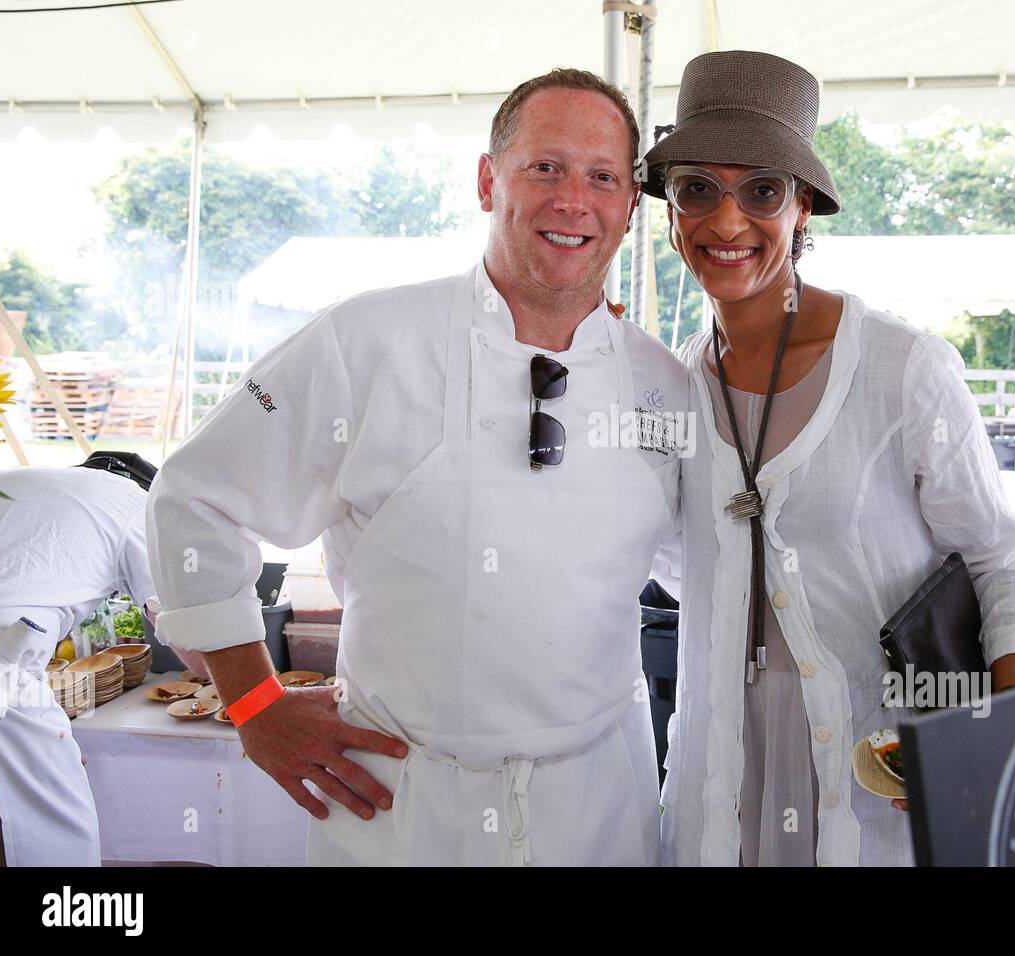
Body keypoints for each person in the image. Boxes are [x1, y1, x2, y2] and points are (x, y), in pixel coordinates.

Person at [146, 69, 687, 866]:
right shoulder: (366, 342)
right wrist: (257, 704)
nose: (574, 200)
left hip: (601, 809)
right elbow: (193, 498)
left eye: (603, 177)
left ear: (629, 206)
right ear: (486, 180)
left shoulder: (662, 387)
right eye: (546, 167)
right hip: (399, 808)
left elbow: (713, 577)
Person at [641, 50, 1015, 867]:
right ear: (670, 211)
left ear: (803, 210)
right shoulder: (664, 392)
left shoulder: (903, 371)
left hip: (876, 794)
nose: (727, 223)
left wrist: (1005, 732)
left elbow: (1004, 560)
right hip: (717, 795)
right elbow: (676, 566)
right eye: (698, 189)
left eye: (761, 190)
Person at [0, 452, 159, 866]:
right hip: (1, 668)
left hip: (9, 665)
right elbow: (180, 619)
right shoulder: (137, 508)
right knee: (58, 825)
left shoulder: (29, 481)